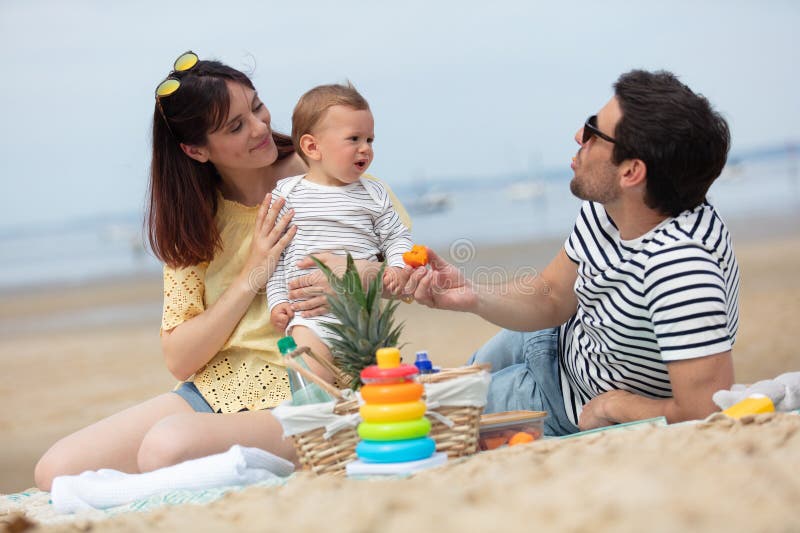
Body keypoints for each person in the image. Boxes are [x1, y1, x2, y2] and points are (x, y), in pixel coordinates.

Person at [33, 52, 407, 491]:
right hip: (215, 392)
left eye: (257, 106)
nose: (260, 127)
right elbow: (180, 359)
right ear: (195, 150)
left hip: (309, 390)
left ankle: (322, 437)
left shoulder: (331, 178)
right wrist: (253, 273)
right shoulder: (195, 218)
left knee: (166, 448)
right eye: (235, 127)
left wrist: (357, 275)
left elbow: (413, 275)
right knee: (55, 470)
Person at [406, 69, 738, 436]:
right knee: (436, 396)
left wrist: (614, 406)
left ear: (631, 172)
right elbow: (551, 295)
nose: (579, 136)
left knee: (428, 424)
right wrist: (471, 294)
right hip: (552, 339)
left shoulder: (680, 267)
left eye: (594, 132)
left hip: (561, 404)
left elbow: (705, 409)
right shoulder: (614, 206)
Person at [267, 83, 413, 362]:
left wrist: (397, 267)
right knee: (312, 372)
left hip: (365, 316)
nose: (365, 149)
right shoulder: (287, 194)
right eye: (354, 139)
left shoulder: (373, 193)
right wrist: (278, 301)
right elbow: (276, 258)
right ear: (313, 147)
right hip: (309, 317)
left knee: (381, 374)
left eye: (369, 140)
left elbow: (396, 237)